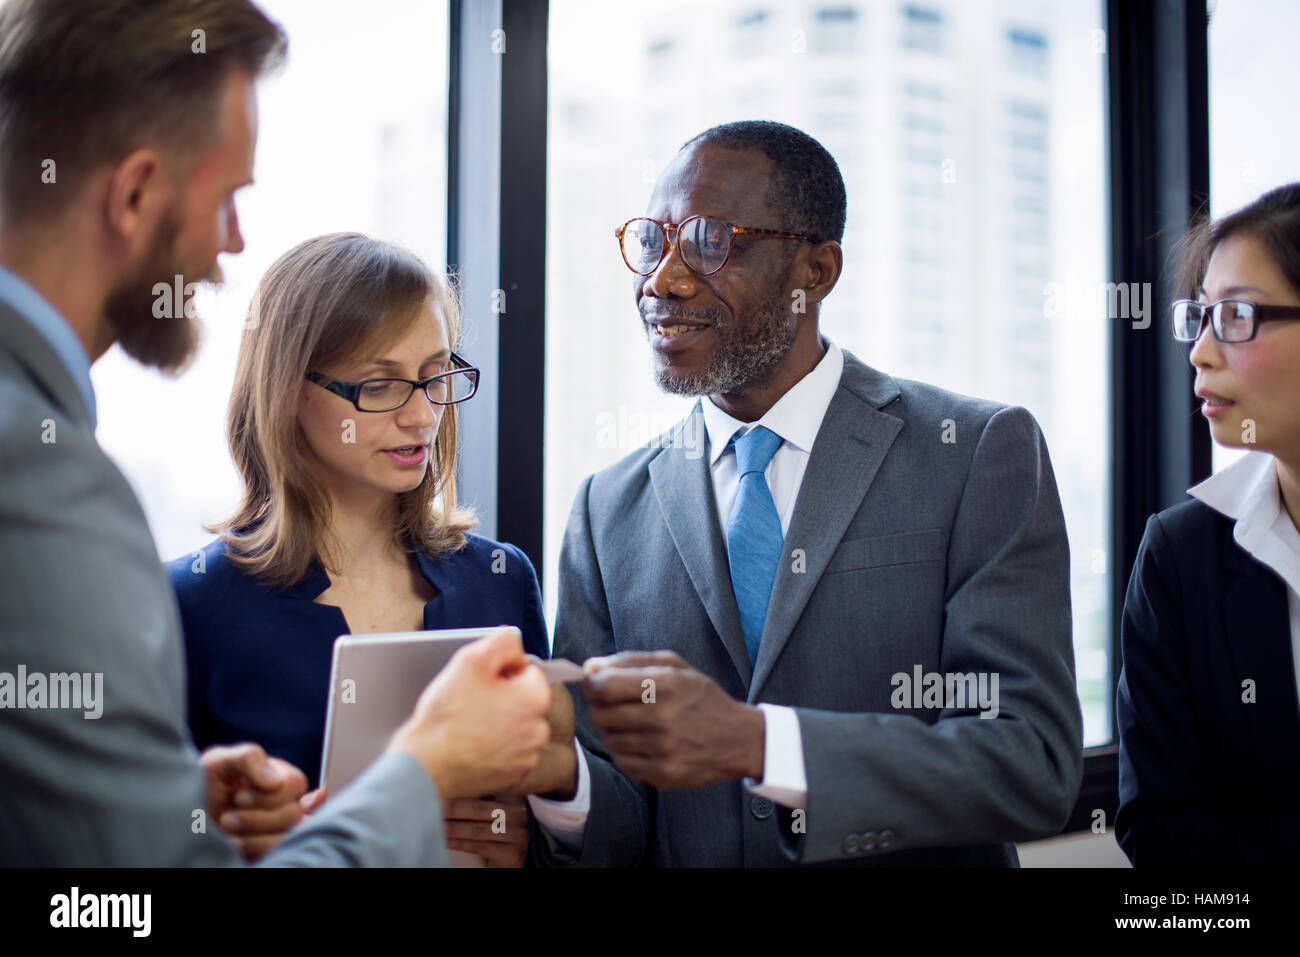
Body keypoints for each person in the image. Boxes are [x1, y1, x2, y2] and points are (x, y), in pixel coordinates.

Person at [0, 0, 552, 866]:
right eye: (227, 198)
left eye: (436, 377)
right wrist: (422, 775)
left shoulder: (499, 578)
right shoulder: (73, 505)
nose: (233, 240)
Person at [527, 120, 1083, 866]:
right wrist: (561, 780)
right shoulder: (606, 509)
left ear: (815, 271)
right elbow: (622, 824)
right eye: (654, 242)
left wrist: (757, 744)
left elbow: (1029, 760)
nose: (663, 278)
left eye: (710, 241)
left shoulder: (975, 453)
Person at [168, 232, 550, 865]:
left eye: (435, 377)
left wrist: (527, 841)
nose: (423, 417)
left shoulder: (499, 579)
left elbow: (553, 803)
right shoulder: (189, 604)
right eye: (380, 386)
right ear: (289, 390)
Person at [1116, 183, 1300, 866]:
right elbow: (1158, 824)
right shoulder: (1179, 554)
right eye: (1199, 317)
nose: (1200, 351)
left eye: (1237, 316)